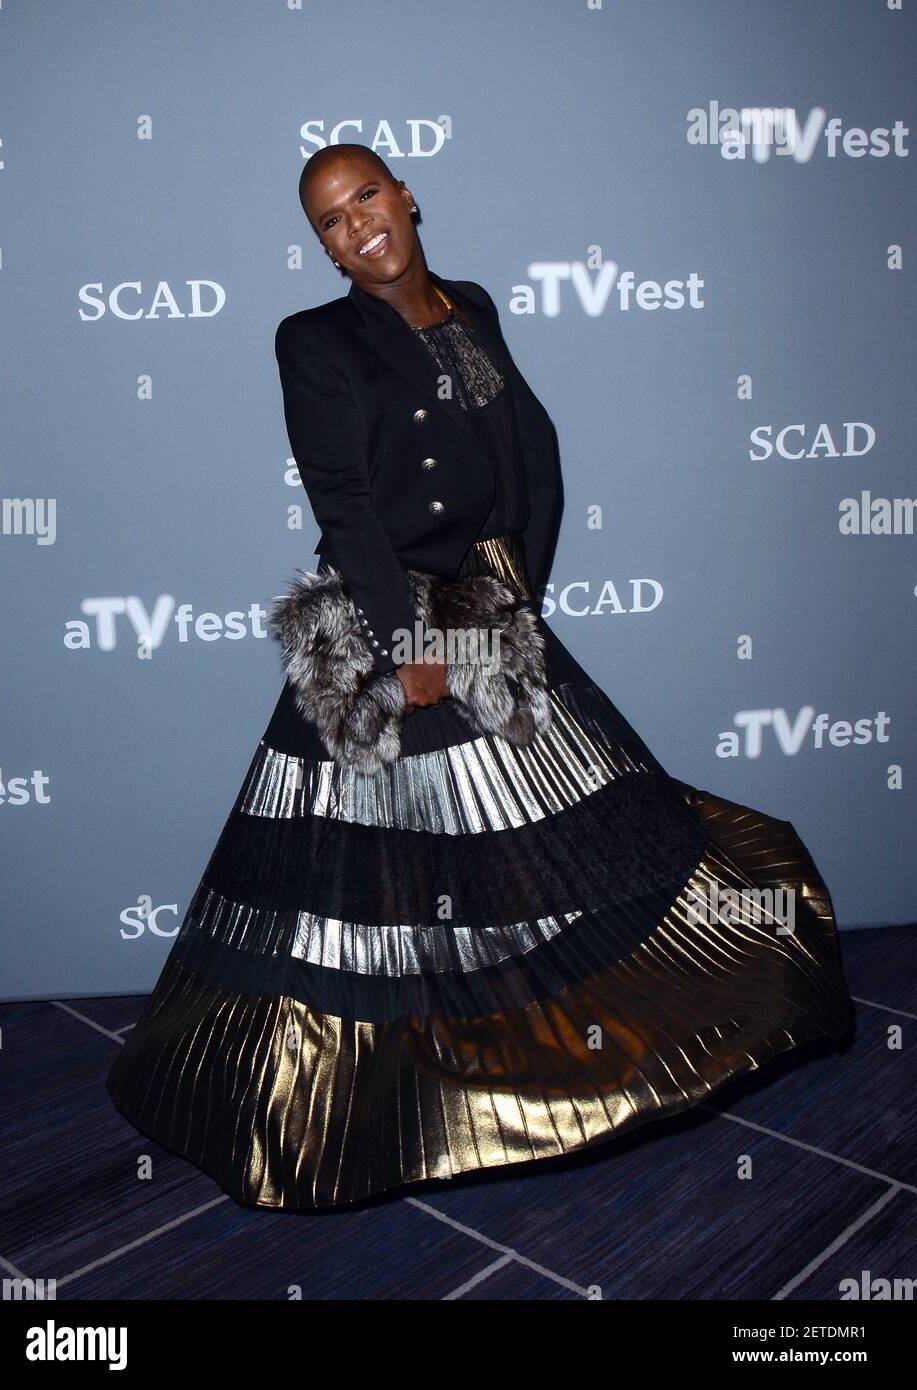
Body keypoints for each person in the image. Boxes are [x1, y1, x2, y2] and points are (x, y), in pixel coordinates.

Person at [106, 143, 854, 1211]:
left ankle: (539, 1066)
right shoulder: (314, 340)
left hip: (489, 607)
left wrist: (516, 600)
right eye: (327, 219)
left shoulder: (473, 307)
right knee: (366, 892)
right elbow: (345, 505)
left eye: (364, 195)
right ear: (320, 246)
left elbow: (526, 460)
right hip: (392, 623)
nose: (353, 224)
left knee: (577, 838)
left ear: (407, 196)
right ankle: (337, 1112)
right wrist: (408, 643)